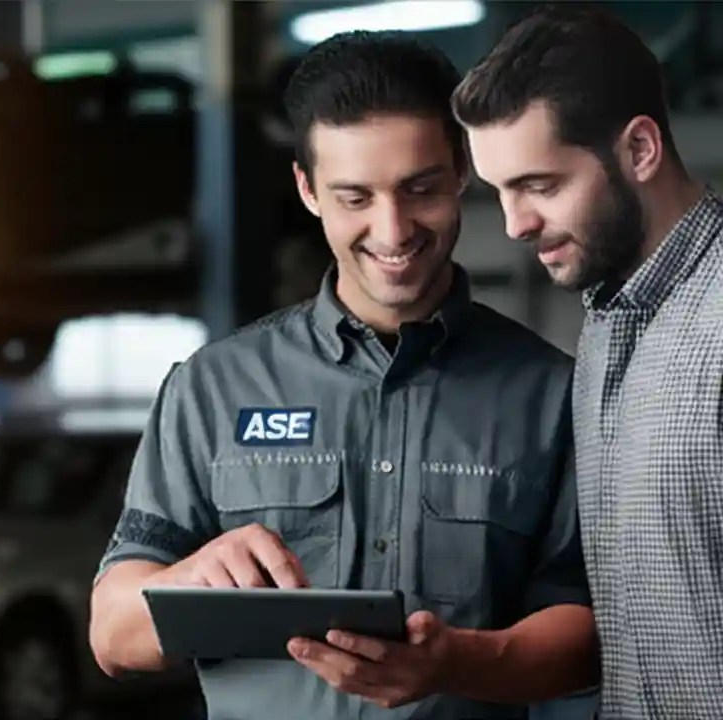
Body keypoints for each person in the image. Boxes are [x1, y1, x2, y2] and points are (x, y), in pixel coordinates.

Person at [88, 30, 598, 720]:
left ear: (461, 172)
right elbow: (112, 637)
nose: (392, 232)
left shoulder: (553, 396)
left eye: (418, 189)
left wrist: (458, 662)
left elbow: (588, 637)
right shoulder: (212, 389)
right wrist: (181, 585)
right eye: (355, 198)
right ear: (308, 189)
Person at [453, 4, 723, 717]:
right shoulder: (604, 325)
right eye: (501, 192)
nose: (514, 225)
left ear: (639, 150)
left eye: (540, 185)